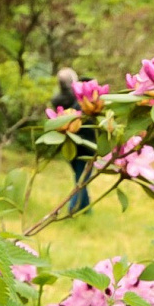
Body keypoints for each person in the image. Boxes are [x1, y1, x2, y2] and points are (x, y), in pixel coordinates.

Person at [51, 67, 92, 215]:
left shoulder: (57, 100)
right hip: (85, 144)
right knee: (82, 179)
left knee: (80, 176)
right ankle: (73, 209)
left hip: (67, 144)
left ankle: (86, 209)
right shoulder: (79, 99)